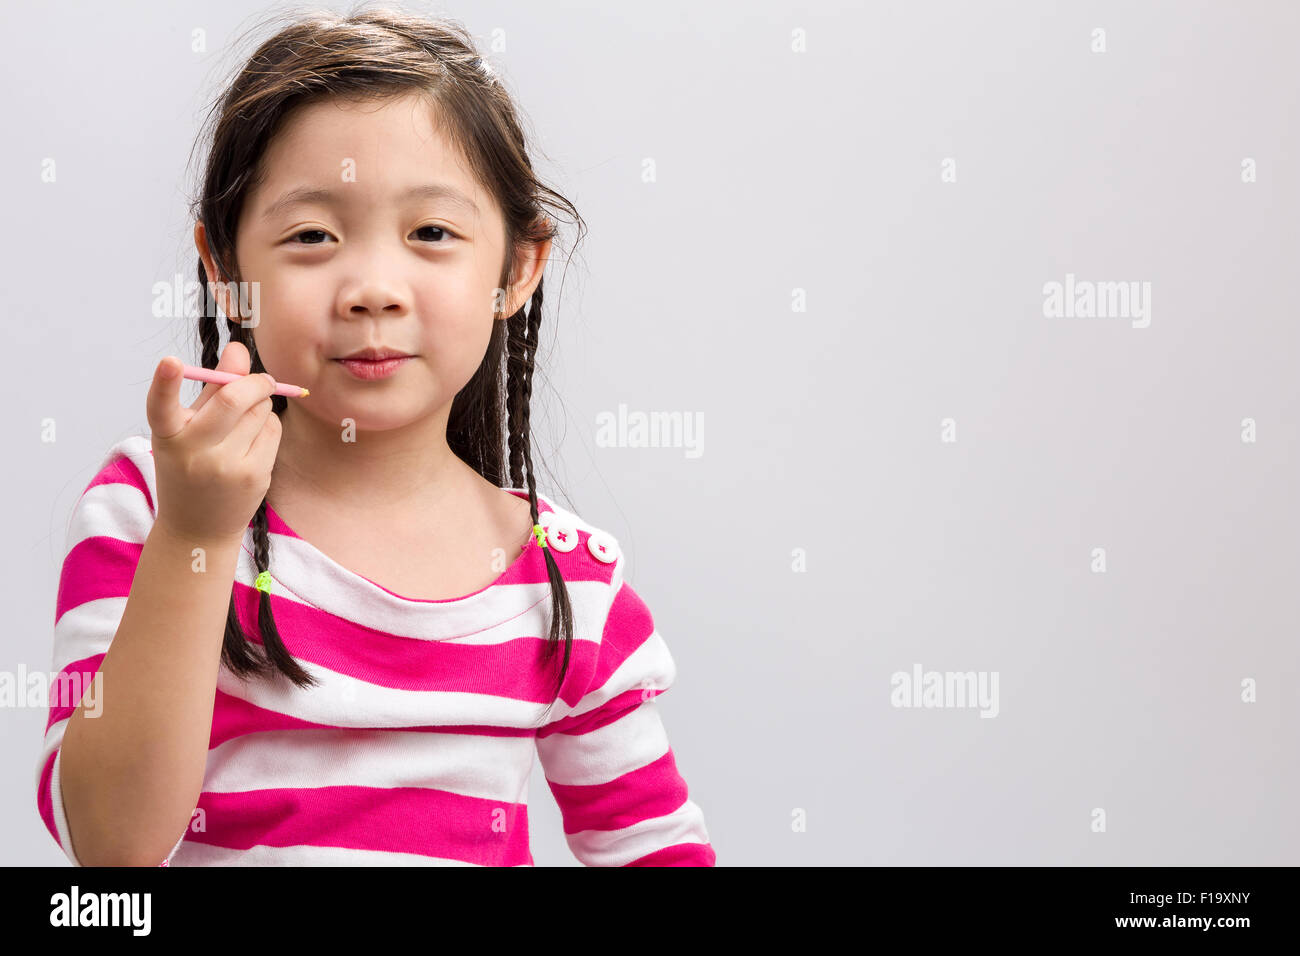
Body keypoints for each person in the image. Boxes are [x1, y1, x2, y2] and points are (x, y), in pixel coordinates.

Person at [35, 6, 714, 867]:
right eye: (312, 235)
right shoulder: (152, 506)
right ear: (224, 267)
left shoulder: (569, 581)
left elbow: (653, 849)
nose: (373, 289)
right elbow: (107, 848)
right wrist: (197, 538)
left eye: (431, 233)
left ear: (516, 268)